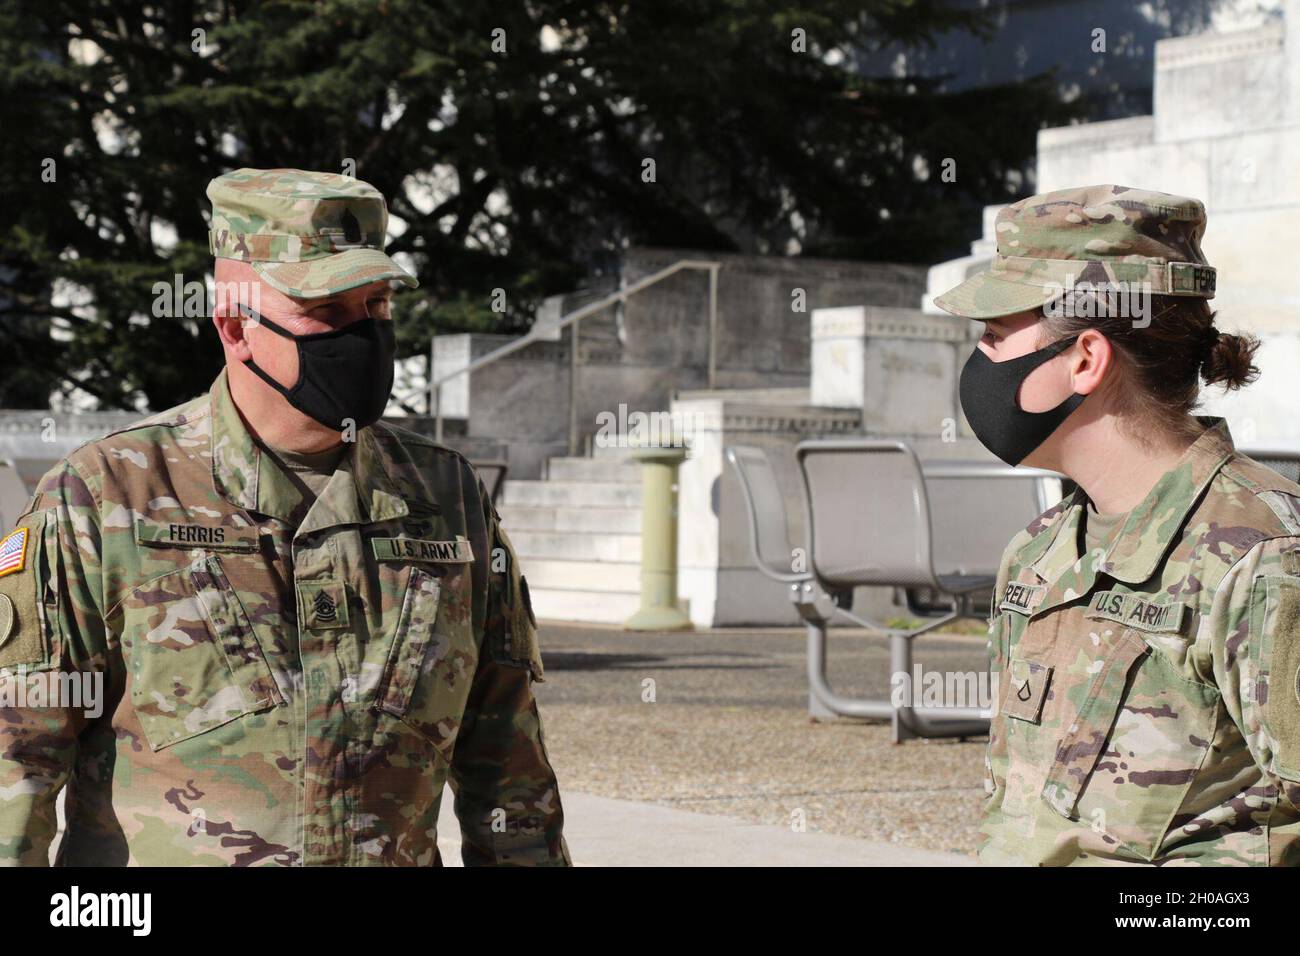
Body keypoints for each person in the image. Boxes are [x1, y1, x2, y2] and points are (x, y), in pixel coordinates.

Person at [0, 167, 570, 866]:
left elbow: (509, 776)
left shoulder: (448, 502)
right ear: (237, 325)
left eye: (378, 306)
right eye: (329, 314)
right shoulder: (103, 497)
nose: (363, 337)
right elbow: (15, 774)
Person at [934, 183, 1300, 865]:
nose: (979, 362)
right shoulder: (1039, 552)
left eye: (993, 335)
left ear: (1084, 359)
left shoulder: (1262, 558)